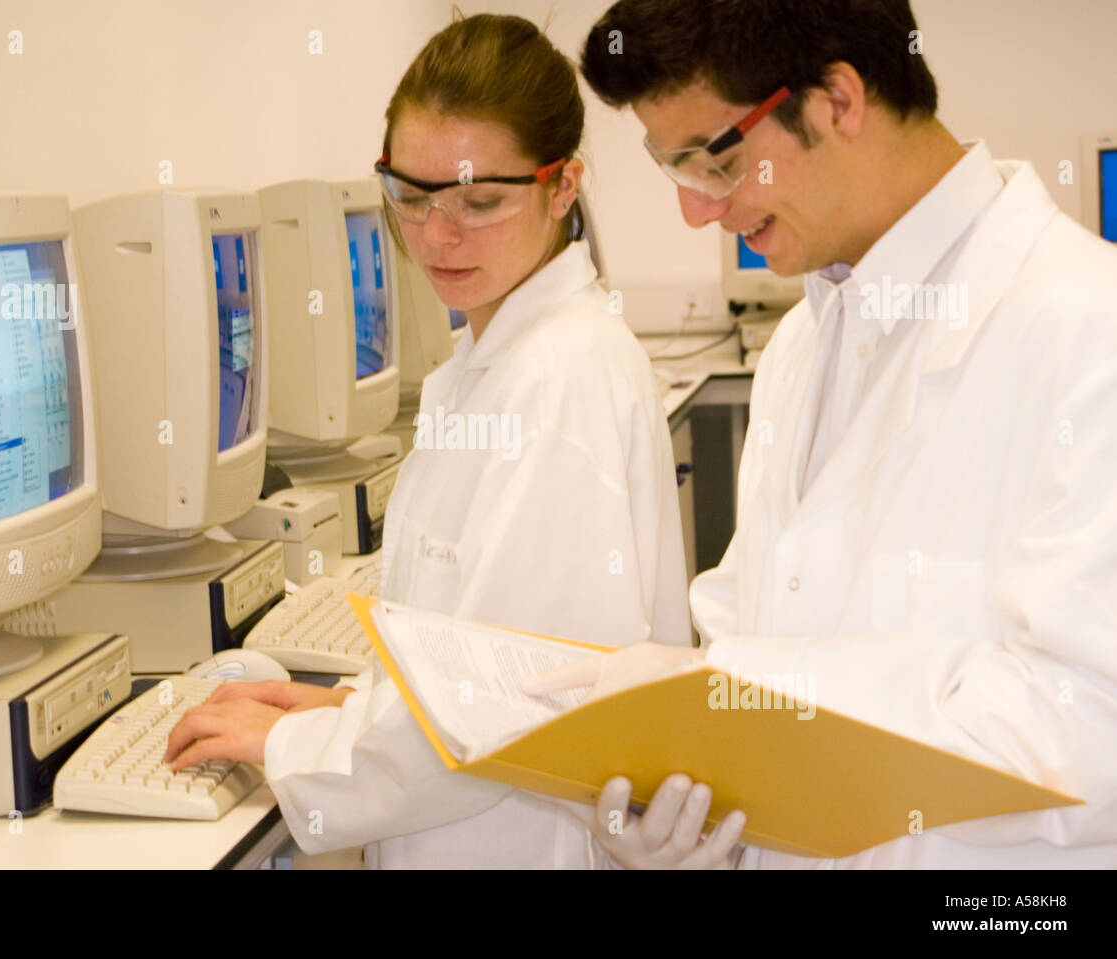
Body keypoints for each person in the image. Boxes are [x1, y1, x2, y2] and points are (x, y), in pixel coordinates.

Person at [528, 0, 1117, 867]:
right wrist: (697, 809)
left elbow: (1086, 732)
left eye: (716, 159)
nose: (698, 213)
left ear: (838, 99)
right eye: (674, 169)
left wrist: (737, 697)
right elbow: (751, 626)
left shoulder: (1087, 330)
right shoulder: (805, 342)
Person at [164, 13, 746, 869]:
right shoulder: (498, 355)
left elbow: (507, 704)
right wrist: (351, 713)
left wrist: (297, 750)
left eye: (480, 201)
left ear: (561, 186)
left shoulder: (559, 376)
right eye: (412, 195)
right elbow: (470, 636)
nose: (438, 236)